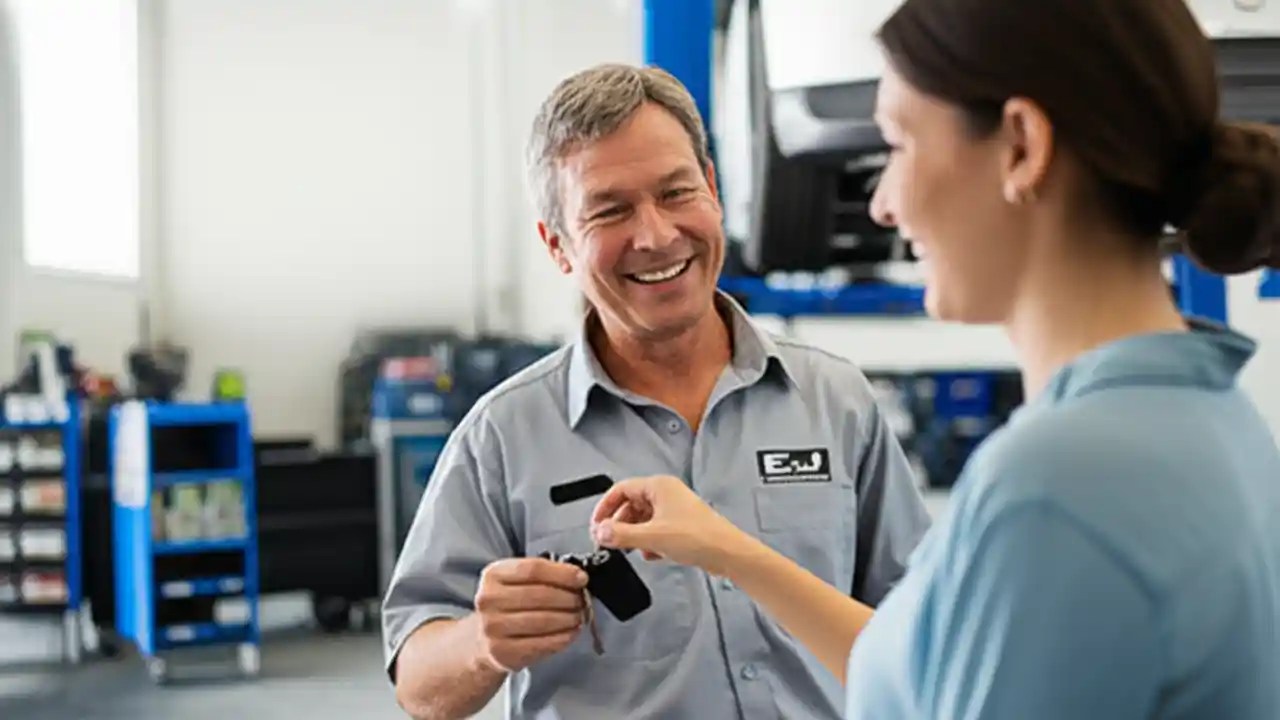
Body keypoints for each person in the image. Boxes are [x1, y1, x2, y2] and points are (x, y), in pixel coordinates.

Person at [588, 1, 1280, 718]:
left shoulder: (1059, 487)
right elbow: (926, 670)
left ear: (1020, 147)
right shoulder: (1211, 417)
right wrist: (726, 550)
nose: (884, 203)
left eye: (899, 146)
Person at [381, 63, 932, 720]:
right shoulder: (504, 435)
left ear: (713, 189)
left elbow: (919, 631)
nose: (656, 235)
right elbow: (417, 682)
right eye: (611, 210)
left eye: (675, 193)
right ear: (557, 245)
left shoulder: (837, 402)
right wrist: (482, 644)